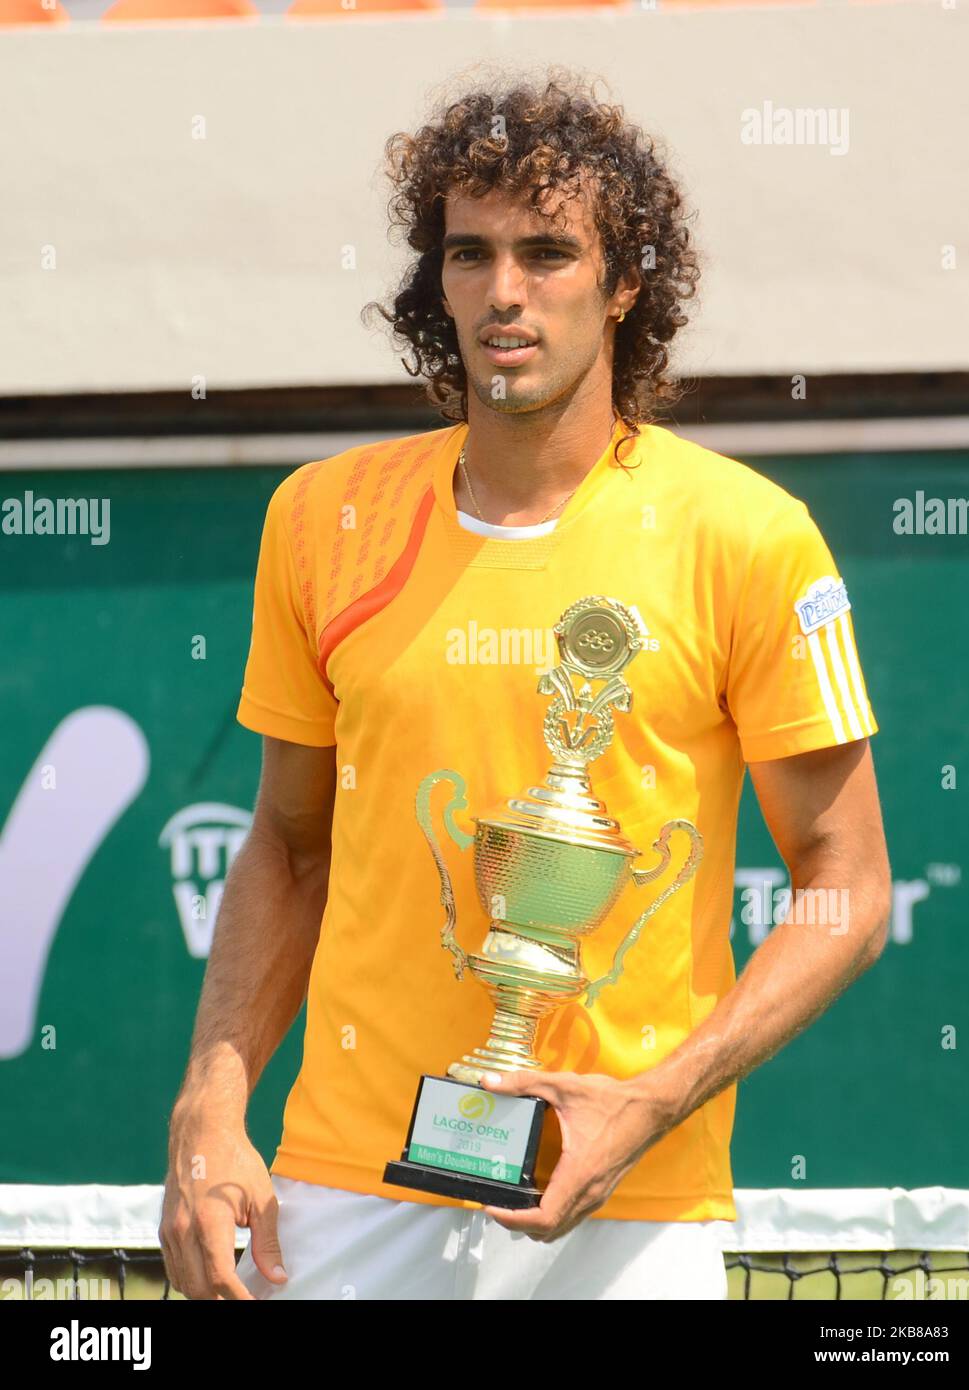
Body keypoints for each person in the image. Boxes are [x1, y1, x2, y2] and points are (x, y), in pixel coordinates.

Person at [159, 72, 891, 1301]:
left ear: (624, 282)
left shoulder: (752, 537)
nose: (506, 291)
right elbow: (289, 845)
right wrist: (211, 1102)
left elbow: (848, 886)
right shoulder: (320, 519)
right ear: (437, 282)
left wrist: (651, 1100)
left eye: (549, 253)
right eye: (472, 254)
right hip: (352, 1186)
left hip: (627, 1196)